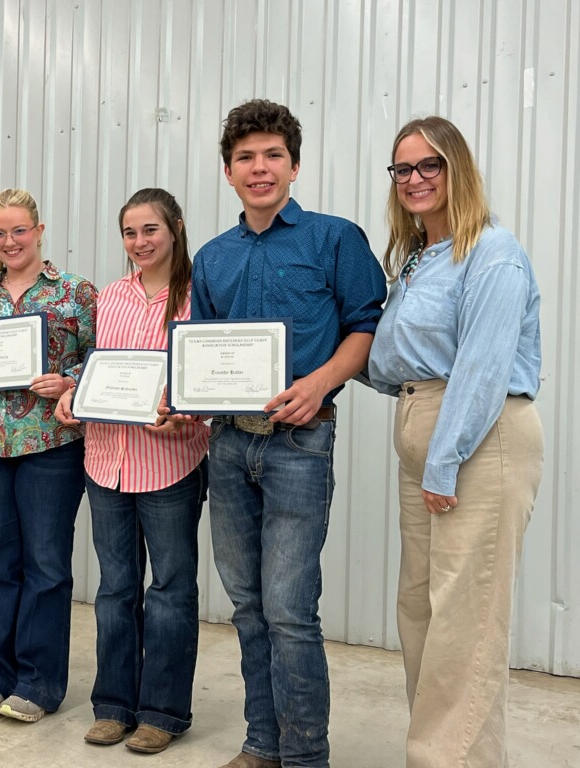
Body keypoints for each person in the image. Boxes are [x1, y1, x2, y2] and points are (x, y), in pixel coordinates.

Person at [191, 100, 387, 768]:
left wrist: (320, 382)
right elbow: (202, 352)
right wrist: (182, 395)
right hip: (228, 445)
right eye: (245, 157)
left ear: (294, 165)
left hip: (300, 445)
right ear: (228, 172)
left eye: (273, 154)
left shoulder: (335, 239)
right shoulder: (213, 257)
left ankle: (307, 755)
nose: (260, 167)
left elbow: (367, 326)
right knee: (247, 605)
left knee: (288, 609)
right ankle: (262, 740)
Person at [368, 116, 543, 768]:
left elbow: (482, 366)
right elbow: (394, 358)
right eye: (402, 168)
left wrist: (443, 461)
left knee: (464, 625)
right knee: (421, 610)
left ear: (456, 168)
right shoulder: (419, 255)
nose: (414, 179)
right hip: (425, 426)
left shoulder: (491, 249)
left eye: (429, 165)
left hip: (480, 438)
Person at [54, 188, 209, 753]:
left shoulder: (197, 295)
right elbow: (96, 368)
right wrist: (73, 394)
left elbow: (210, 377)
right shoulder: (110, 296)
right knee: (116, 589)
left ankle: (163, 712)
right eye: (129, 232)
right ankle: (114, 705)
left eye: (150, 230)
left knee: (169, 590)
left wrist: (184, 413)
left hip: (169, 463)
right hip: (105, 461)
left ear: (175, 227)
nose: (139, 242)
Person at [0, 188, 97, 723]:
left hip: (50, 445)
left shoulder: (76, 292)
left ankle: (39, 683)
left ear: (39, 229)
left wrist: (70, 379)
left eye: (19, 230)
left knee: (46, 566)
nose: (10, 241)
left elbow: (103, 359)